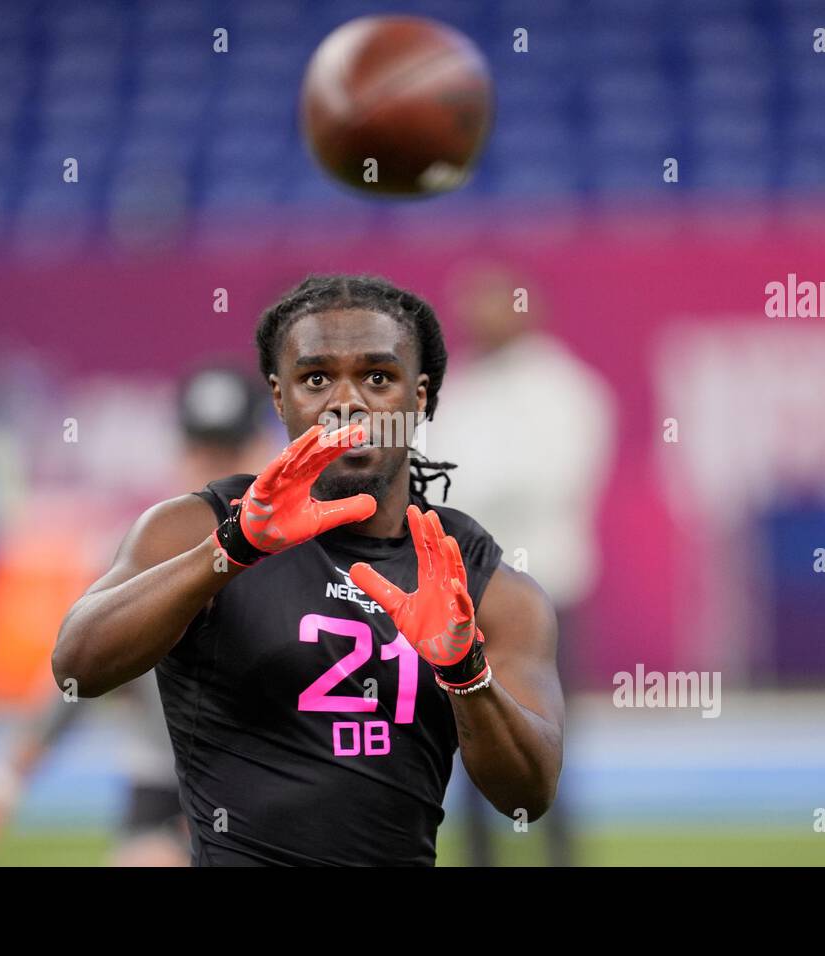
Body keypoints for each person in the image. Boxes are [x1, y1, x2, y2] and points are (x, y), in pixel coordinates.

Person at [52, 274, 564, 866]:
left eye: (378, 376)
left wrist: (464, 669)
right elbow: (77, 668)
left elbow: (529, 794)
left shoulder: (477, 576)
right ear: (279, 397)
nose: (346, 401)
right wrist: (229, 552)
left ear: (419, 397)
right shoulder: (196, 527)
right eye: (316, 378)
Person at [0, 364, 276, 867]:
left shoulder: (300, 555)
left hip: (274, 775)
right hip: (168, 776)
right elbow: (74, 677)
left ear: (260, 451)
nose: (214, 469)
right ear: (181, 452)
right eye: (203, 450)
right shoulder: (143, 550)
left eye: (229, 452)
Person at [427, 263, 618, 866]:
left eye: (491, 305)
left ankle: (559, 858)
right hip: (468, 591)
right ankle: (481, 859)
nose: (476, 320)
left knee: (543, 734)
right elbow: (433, 482)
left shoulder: (564, 390)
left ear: (524, 310)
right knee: (465, 736)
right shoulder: (462, 389)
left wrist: (466, 493)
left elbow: (550, 480)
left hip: (544, 589)